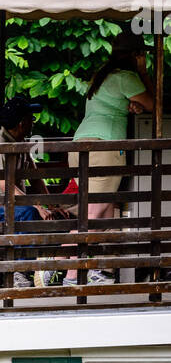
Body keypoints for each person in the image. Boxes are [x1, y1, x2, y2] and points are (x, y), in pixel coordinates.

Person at [47, 30, 154, 287]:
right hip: (103, 148)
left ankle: (96, 272)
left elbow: (125, 105)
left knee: (105, 214)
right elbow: (155, 104)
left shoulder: (104, 76)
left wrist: (132, 106)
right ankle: (62, 270)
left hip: (82, 146)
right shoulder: (127, 77)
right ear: (136, 55)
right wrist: (143, 72)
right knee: (93, 215)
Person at [0, 96, 52, 289]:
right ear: (22, 123)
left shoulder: (21, 142)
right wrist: (37, 206)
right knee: (30, 214)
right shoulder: (0, 143)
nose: (32, 122)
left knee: (51, 218)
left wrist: (53, 205)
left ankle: (42, 269)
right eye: (30, 118)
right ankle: (20, 271)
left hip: (12, 206)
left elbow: (36, 178)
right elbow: (5, 185)